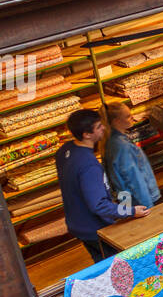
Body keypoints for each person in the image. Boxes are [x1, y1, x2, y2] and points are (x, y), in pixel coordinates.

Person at [56, 109, 148, 264]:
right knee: (115, 268)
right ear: (87, 134)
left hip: (78, 224)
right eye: (99, 126)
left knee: (101, 264)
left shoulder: (65, 150)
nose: (104, 128)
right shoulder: (88, 166)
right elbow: (99, 205)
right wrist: (131, 211)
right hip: (96, 229)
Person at [103, 102, 161, 210]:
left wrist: (126, 208)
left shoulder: (112, 141)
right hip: (140, 201)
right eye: (128, 116)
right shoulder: (121, 146)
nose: (133, 118)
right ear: (116, 121)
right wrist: (146, 205)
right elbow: (133, 179)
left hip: (130, 202)